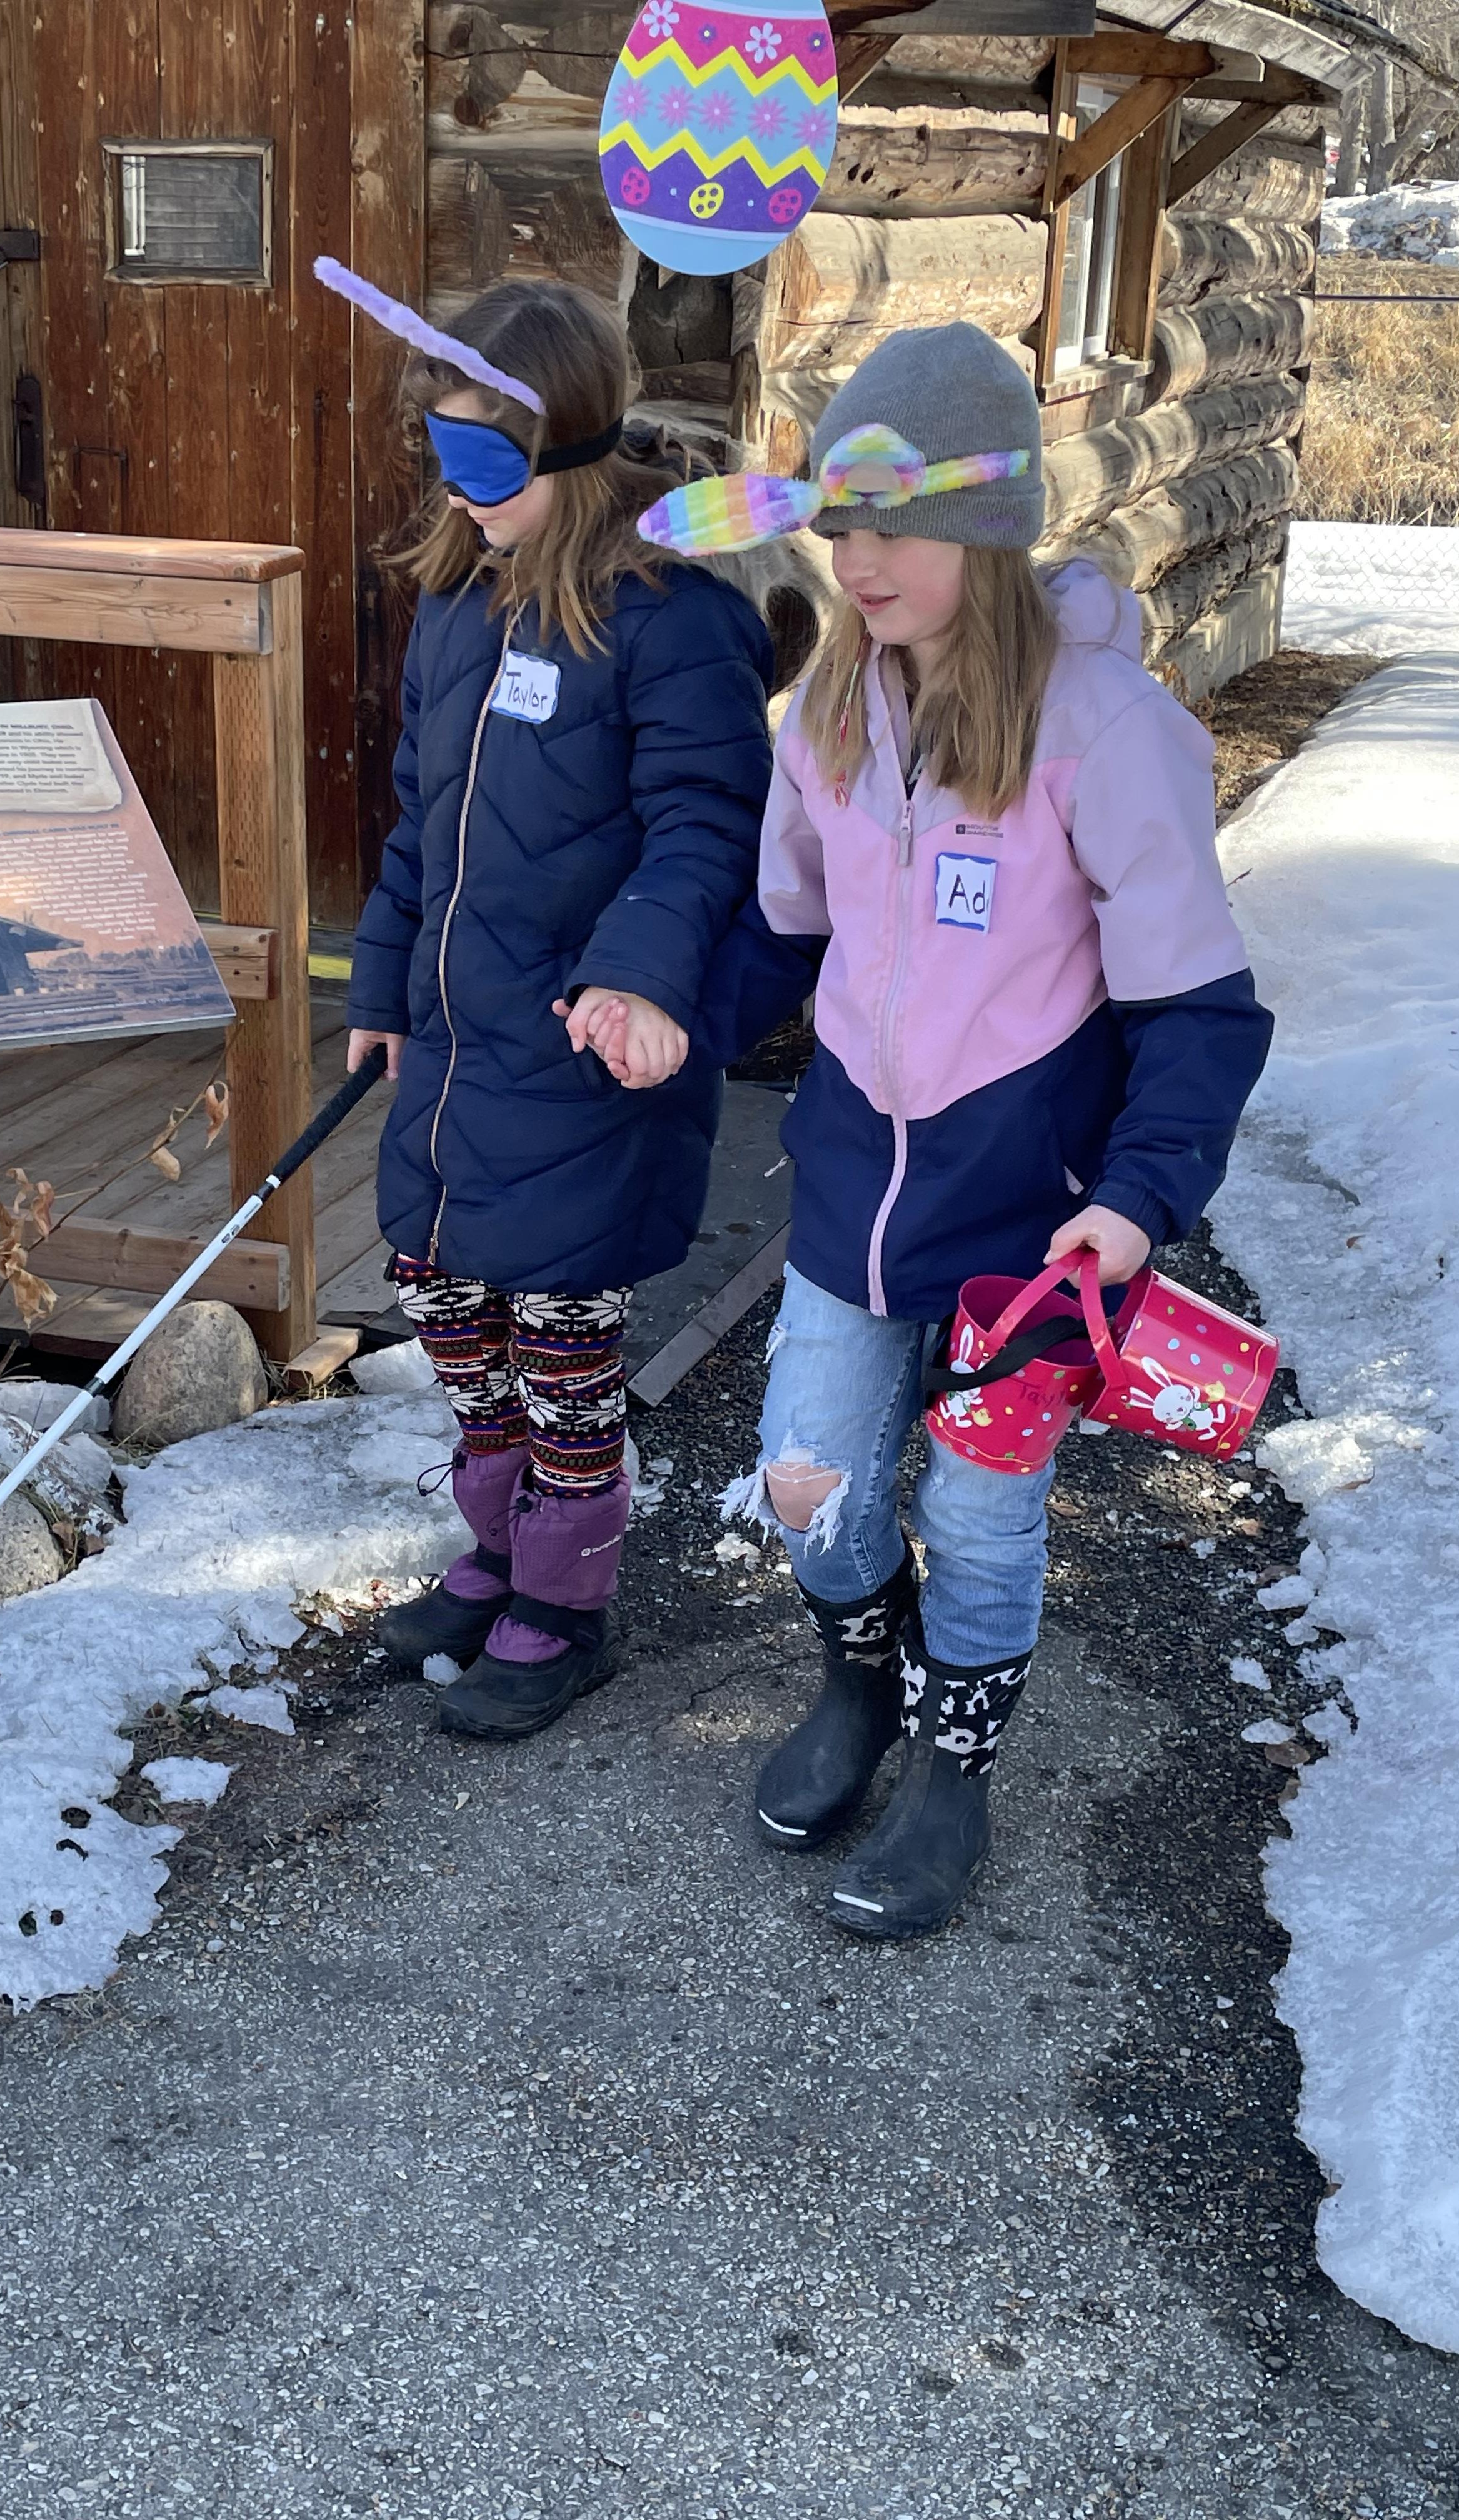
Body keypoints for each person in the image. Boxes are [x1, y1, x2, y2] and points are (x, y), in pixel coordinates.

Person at [593, 322, 1273, 1938]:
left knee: (977, 1510)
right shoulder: (829, 713)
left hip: (1028, 1228)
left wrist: (1136, 1200)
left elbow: (1201, 1012)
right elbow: (786, 933)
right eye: (839, 524)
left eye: (894, 524)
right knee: (811, 1483)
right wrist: (667, 998)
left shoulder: (1100, 730)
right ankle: (863, 1684)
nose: (859, 560)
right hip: (852, 1187)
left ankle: (955, 1766)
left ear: (989, 522)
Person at [342, 275, 775, 1743]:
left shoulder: (672, 623)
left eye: (490, 464)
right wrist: (384, 984)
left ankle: (568, 1598)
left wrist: (640, 970)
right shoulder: (458, 608)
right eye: (444, 457)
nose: (460, 497)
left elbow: (706, 824)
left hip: (587, 1053)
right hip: (460, 1057)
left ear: (576, 447)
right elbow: (421, 824)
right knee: (453, 1312)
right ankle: (496, 1549)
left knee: (561, 1343)